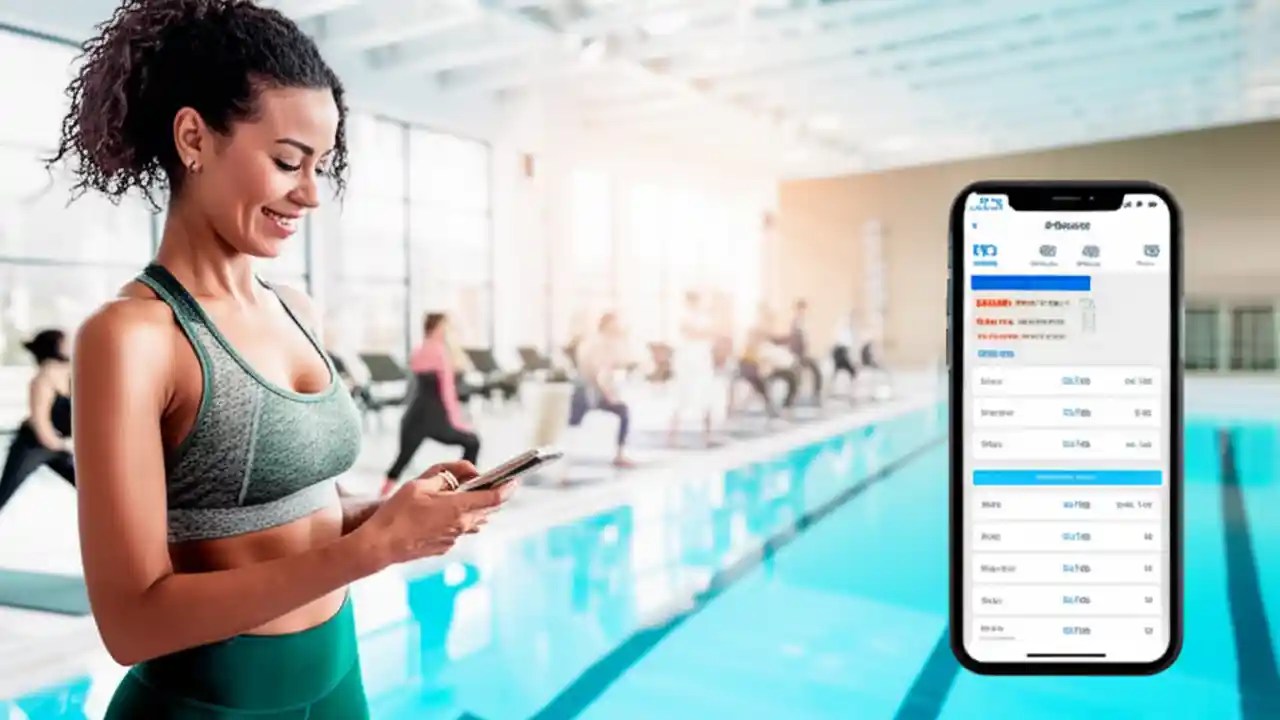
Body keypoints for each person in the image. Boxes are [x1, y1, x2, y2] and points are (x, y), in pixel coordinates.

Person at [51, 2, 512, 717]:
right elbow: (131, 623)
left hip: (337, 674)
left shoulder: (298, 308)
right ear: (193, 137)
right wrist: (373, 552)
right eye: (287, 161)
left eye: (321, 165)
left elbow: (286, 525)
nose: (311, 193)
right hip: (208, 703)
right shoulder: (131, 337)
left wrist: (393, 518)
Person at [383, 313, 481, 496]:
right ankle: (465, 488)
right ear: (438, 328)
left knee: (401, 460)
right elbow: (447, 392)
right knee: (473, 442)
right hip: (435, 417)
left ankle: (380, 496)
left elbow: (416, 386)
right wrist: (458, 422)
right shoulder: (440, 351)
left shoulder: (418, 350)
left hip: (413, 416)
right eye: (446, 326)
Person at [0, 329, 75, 514]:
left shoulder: (72, 373)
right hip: (33, 445)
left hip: (58, 445)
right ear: (55, 347)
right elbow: (40, 424)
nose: (71, 345)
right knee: (3, 494)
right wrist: (64, 446)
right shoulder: (43, 379)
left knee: (93, 489)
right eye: (65, 342)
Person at [569, 313, 636, 468]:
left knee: (572, 425)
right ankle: (619, 455)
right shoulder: (599, 344)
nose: (618, 328)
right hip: (589, 392)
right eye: (616, 324)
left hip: (583, 390)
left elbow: (620, 362)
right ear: (607, 325)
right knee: (623, 411)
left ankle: (563, 464)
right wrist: (610, 396)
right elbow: (600, 374)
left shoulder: (595, 341)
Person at [668, 290, 719, 447]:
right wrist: (703, 333)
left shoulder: (704, 317)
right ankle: (672, 436)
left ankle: (707, 436)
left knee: (707, 397)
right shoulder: (683, 316)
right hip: (688, 361)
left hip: (702, 359)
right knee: (681, 397)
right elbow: (690, 332)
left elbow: (711, 334)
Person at [781, 299, 822, 404]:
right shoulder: (796, 322)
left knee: (799, 376)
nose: (804, 311)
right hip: (798, 355)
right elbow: (795, 341)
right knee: (807, 373)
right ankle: (790, 399)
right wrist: (797, 355)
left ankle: (790, 400)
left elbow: (803, 340)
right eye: (802, 309)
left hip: (801, 355)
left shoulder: (800, 322)